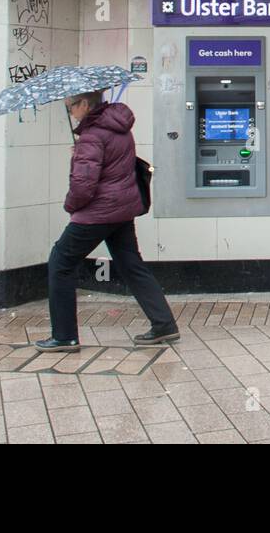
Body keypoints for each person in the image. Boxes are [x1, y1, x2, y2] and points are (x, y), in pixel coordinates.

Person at [34, 89, 179, 351]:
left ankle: (64, 336)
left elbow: (83, 186)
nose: (70, 111)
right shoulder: (119, 127)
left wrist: (70, 205)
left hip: (98, 212)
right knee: (131, 264)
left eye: (71, 105)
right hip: (122, 209)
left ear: (85, 104)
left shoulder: (91, 136)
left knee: (60, 262)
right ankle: (164, 324)